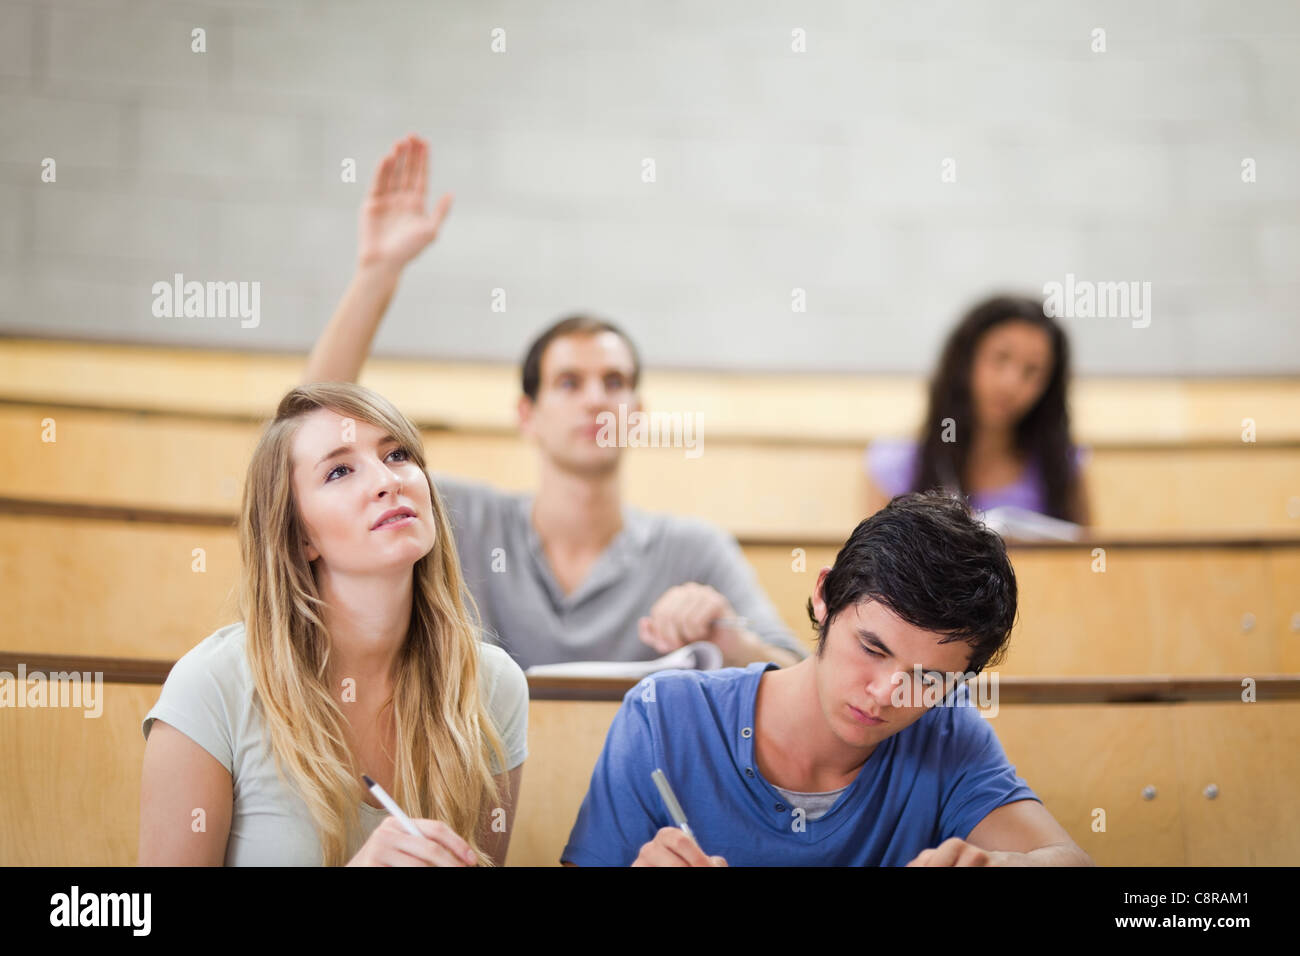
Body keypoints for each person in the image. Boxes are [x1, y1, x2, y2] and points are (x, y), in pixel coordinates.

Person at [303, 134, 806, 671]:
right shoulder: (460, 520)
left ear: (637, 416)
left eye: (614, 382)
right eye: (569, 383)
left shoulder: (694, 551)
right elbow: (308, 433)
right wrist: (378, 273)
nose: (595, 400)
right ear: (527, 415)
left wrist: (733, 642)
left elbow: (797, 676)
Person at [561, 492, 1093, 866]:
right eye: (871, 648)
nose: (887, 694)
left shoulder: (949, 738)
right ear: (825, 595)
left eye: (928, 679)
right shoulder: (665, 719)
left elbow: (1072, 861)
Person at [138, 382, 527, 866]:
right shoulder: (211, 687)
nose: (388, 480)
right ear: (301, 537)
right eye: (340, 470)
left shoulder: (493, 685)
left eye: (398, 454)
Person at [865, 295, 1092, 524]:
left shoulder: (1063, 467)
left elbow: (1081, 554)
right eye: (1000, 358)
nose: (1010, 384)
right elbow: (870, 557)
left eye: (1032, 371)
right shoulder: (897, 467)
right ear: (965, 361)